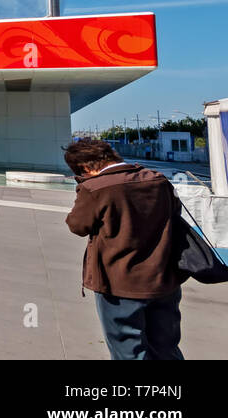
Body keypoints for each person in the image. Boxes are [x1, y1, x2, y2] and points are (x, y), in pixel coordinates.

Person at [64, 139, 184, 360]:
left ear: (87, 168)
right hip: (164, 279)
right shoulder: (158, 180)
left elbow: (77, 225)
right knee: (167, 349)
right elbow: (175, 213)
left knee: (128, 351)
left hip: (119, 284)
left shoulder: (95, 188)